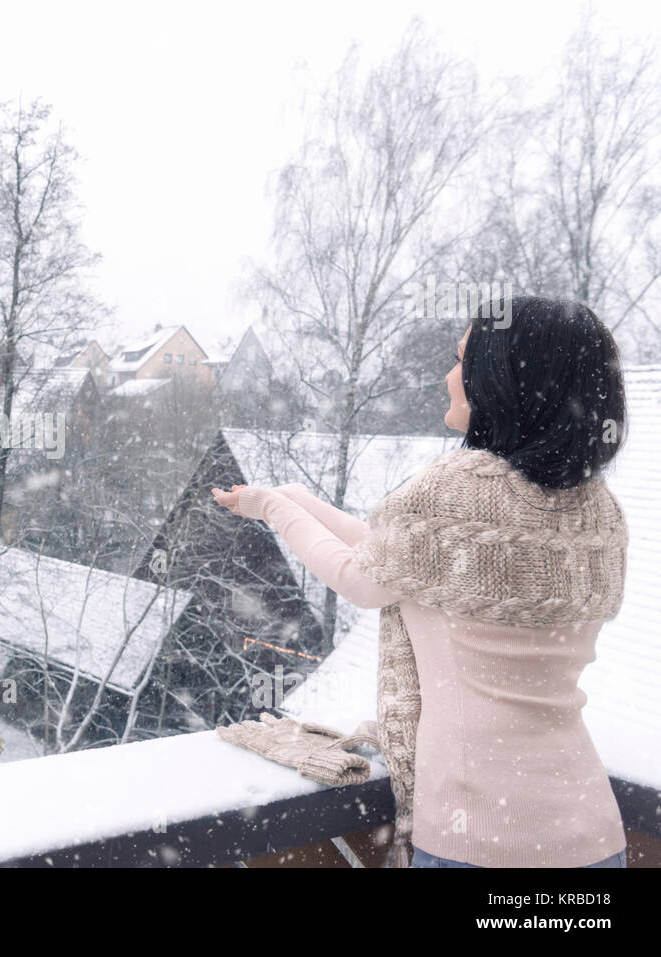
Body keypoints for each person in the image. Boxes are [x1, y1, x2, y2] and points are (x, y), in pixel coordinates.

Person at [211, 296, 629, 868]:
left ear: (503, 379)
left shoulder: (451, 489)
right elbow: (409, 562)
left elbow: (362, 579)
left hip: (481, 836)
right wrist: (298, 501)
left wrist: (270, 509)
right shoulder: (597, 509)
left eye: (463, 360)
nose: (449, 375)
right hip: (592, 834)